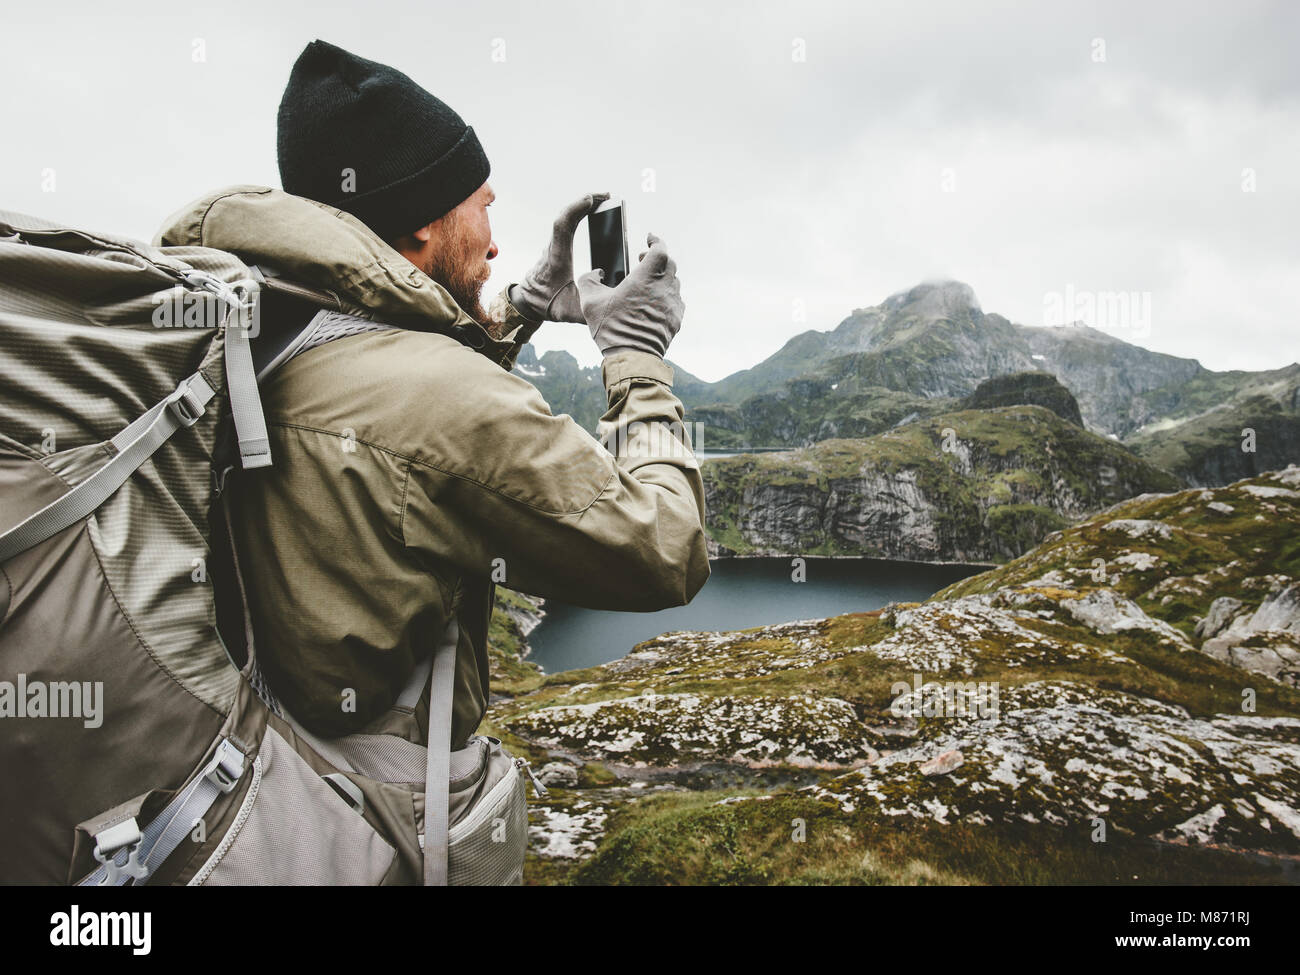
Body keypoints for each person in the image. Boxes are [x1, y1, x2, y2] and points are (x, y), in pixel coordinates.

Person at [155, 39, 709, 748]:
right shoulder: (441, 398)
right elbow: (667, 546)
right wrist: (636, 356)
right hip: (372, 811)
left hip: (255, 750)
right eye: (482, 206)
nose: (496, 243)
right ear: (422, 220)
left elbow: (390, 368)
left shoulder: (262, 326)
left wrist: (526, 303)